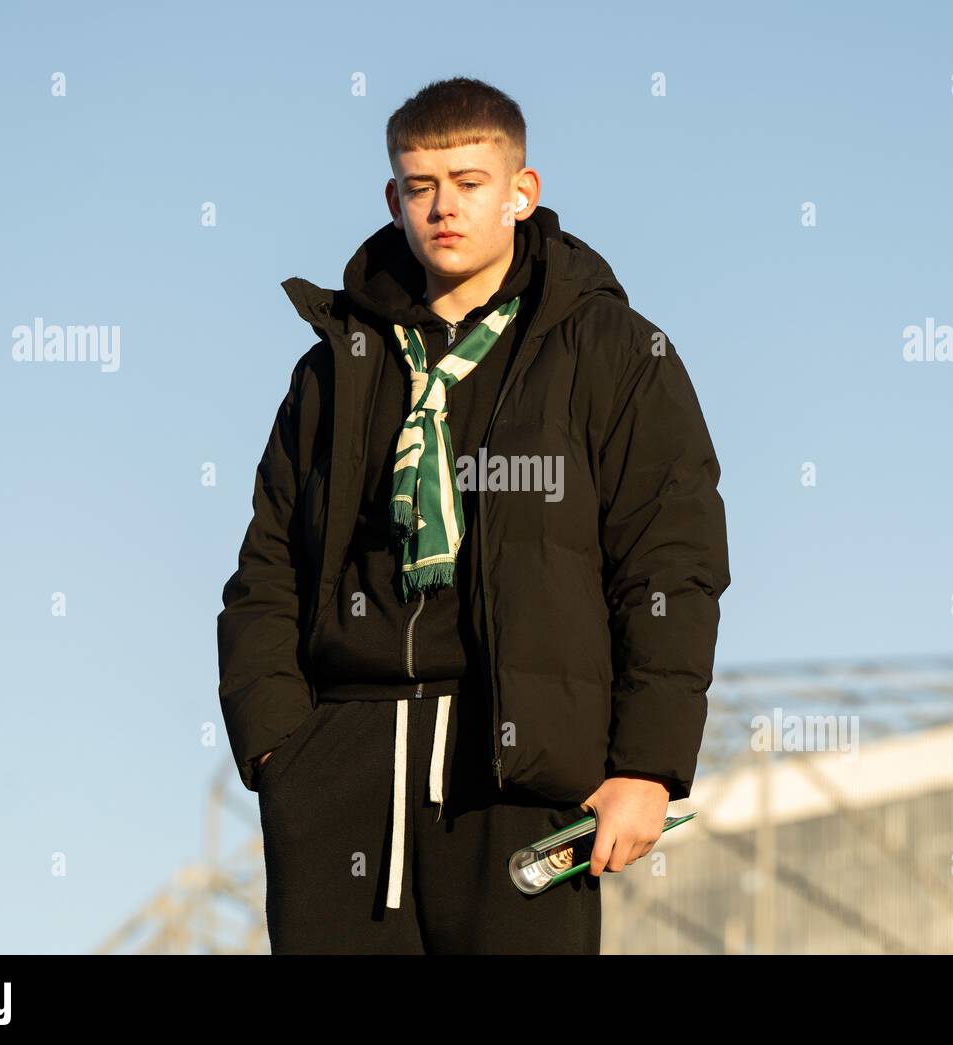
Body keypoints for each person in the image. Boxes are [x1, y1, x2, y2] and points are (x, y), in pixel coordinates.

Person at [216, 76, 730, 954]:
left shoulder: (611, 351)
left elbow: (669, 562)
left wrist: (647, 763)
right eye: (420, 186)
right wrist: (280, 753)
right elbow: (268, 567)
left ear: (521, 194)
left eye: (469, 181)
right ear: (394, 197)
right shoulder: (336, 367)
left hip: (518, 777)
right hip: (339, 777)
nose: (442, 207)